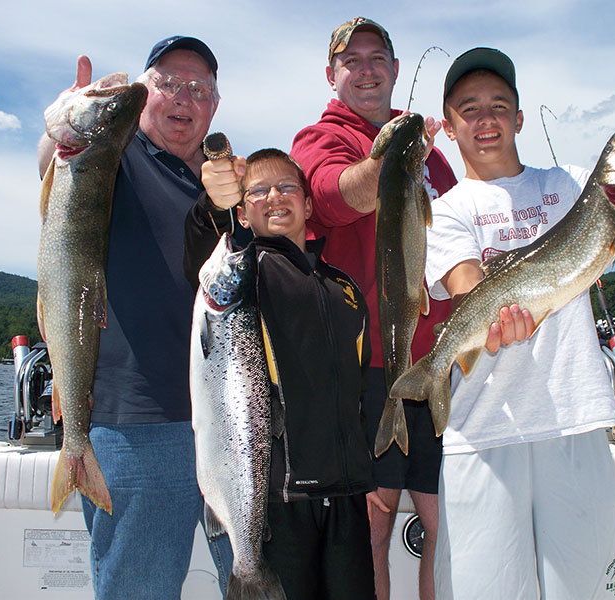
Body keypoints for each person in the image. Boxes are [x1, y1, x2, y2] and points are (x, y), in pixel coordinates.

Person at [427, 47, 615, 598]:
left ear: (519, 117)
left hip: (577, 419)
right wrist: (496, 322)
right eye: (469, 108)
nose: (485, 118)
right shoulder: (444, 210)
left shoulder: (570, 183)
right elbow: (467, 285)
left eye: (499, 105)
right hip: (483, 432)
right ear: (448, 127)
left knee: (586, 588)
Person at [36, 36, 238, 599]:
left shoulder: (226, 184)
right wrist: (67, 120)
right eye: (168, 83)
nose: (182, 97)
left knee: (254, 581)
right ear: (144, 93)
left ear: (214, 107)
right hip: (136, 426)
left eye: (198, 89)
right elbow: (54, 159)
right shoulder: (111, 157)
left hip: (230, 420)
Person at [289, 17, 457, 600]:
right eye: (351, 60)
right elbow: (334, 198)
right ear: (331, 75)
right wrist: (393, 158)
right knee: (372, 525)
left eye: (377, 57)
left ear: (394, 67)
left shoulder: (431, 155)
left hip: (438, 367)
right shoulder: (321, 138)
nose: (366, 69)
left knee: (448, 524)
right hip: (364, 373)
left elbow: (458, 231)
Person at [185, 147, 381, 599]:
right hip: (273, 500)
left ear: (308, 205)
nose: (274, 196)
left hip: (346, 498)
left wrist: (371, 474)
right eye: (258, 190)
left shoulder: (345, 287)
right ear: (242, 211)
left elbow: (360, 391)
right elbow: (202, 241)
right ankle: (246, 571)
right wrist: (213, 205)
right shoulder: (248, 270)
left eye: (287, 186)